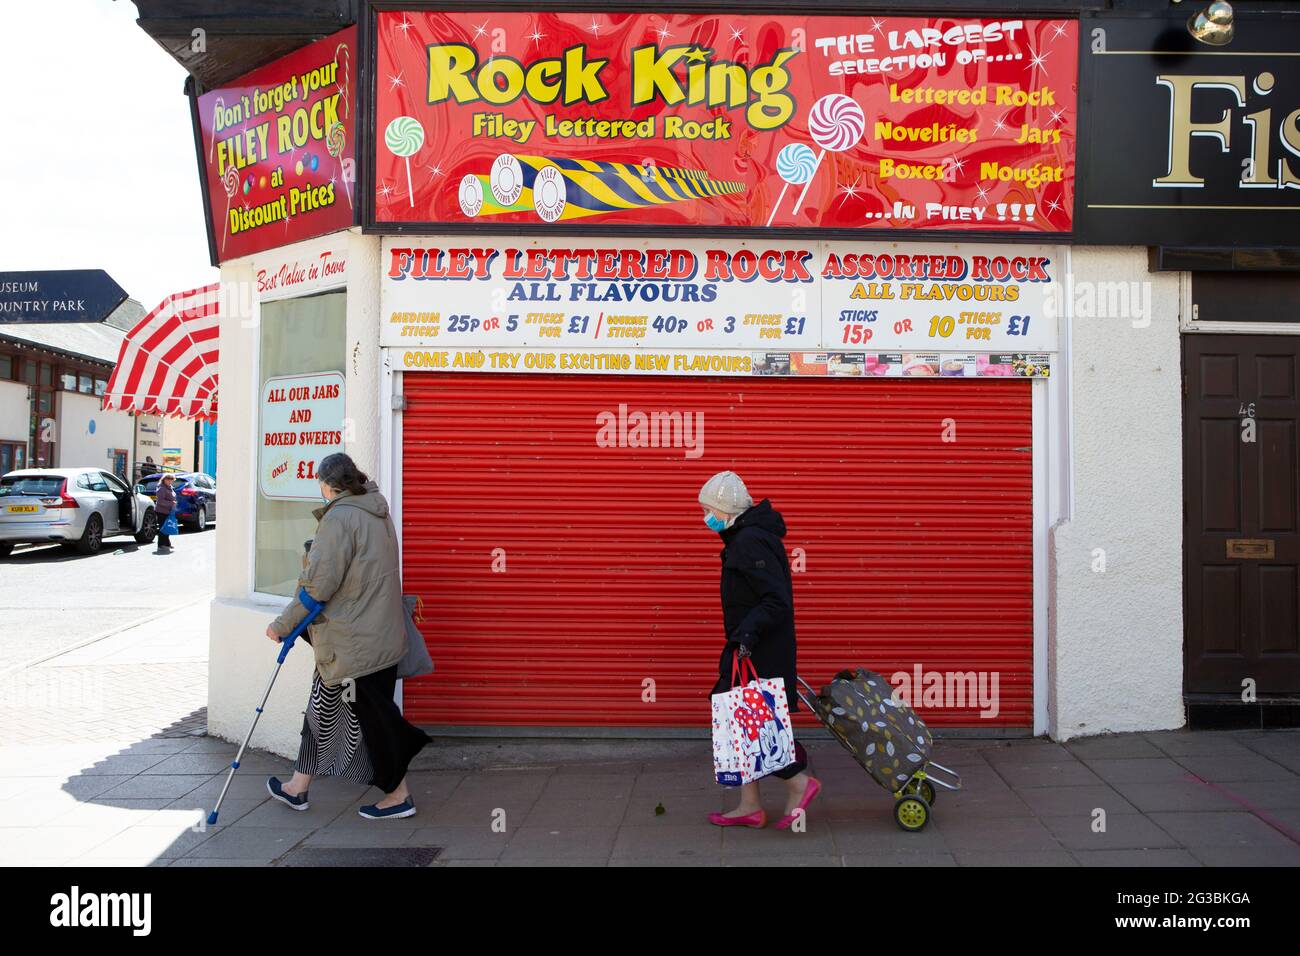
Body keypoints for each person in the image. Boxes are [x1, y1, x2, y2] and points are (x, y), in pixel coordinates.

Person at [265, 453, 431, 820]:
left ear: (327, 484)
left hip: (353, 643)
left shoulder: (340, 519)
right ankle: (298, 786)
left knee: (375, 720)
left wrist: (282, 625)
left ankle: (399, 794)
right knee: (323, 712)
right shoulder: (376, 512)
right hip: (376, 635)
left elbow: (319, 585)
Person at [700, 470, 821, 830]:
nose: (705, 518)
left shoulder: (749, 541)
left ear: (724, 509)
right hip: (749, 646)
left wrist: (747, 636)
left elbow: (775, 601)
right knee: (735, 718)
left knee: (754, 724)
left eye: (708, 510)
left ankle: (799, 783)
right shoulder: (744, 536)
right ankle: (749, 804)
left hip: (759, 651)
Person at [154, 473, 176, 553]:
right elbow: (160, 501)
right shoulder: (162, 488)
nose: (170, 481)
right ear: (164, 480)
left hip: (168, 511)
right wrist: (171, 503)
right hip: (161, 511)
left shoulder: (170, 488)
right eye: (168, 479)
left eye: (171, 479)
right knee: (163, 528)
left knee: (167, 527)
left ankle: (167, 543)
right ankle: (160, 545)